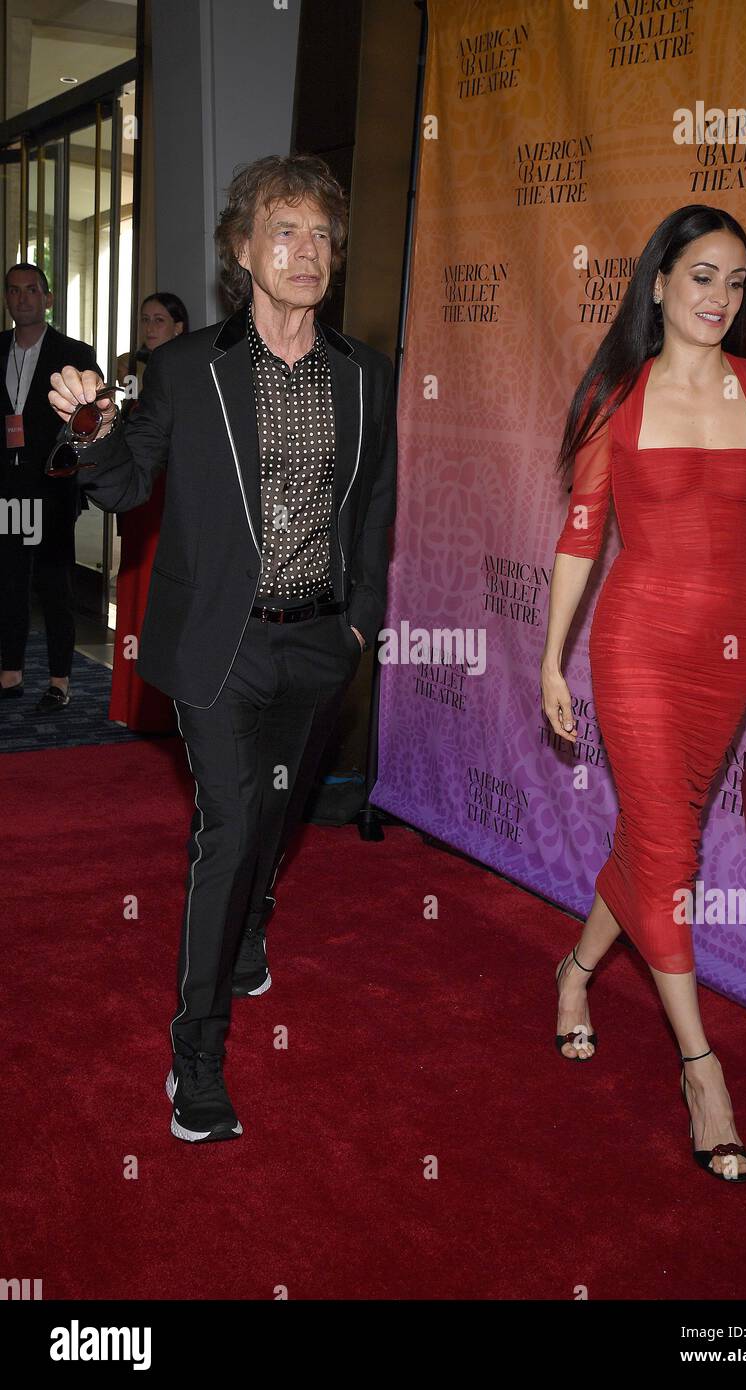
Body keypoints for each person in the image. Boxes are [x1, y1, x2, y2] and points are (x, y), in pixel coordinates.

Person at [48, 153, 397, 1144]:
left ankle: (252, 921)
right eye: (284, 232)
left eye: (323, 235)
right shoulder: (187, 369)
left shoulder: (367, 376)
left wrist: (361, 622)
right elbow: (120, 488)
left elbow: (374, 509)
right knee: (231, 829)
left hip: (320, 645)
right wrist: (89, 431)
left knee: (278, 820)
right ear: (241, 251)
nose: (307, 252)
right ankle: (194, 1057)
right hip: (222, 649)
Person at [541, 204, 746, 1184]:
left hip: (726, 655)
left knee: (651, 842)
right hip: (636, 644)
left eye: (735, 281)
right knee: (669, 848)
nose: (718, 298)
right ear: (657, 282)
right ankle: (702, 1069)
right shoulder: (618, 392)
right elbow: (579, 534)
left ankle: (574, 973)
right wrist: (547, 656)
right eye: (700, 276)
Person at [0, 263, 101, 711]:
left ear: (48, 299)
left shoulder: (74, 352)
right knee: (8, 582)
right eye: (14, 291)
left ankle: (60, 680)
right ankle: (11, 672)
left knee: (53, 584)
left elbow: (95, 414)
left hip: (51, 487)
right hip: (5, 486)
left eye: (31, 290)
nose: (22, 298)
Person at [109, 293, 190, 733]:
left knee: (163, 597)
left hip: (171, 498)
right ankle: (131, 703)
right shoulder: (135, 370)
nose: (150, 327)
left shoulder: (187, 370)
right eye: (145, 319)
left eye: (160, 319)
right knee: (134, 587)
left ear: (180, 327)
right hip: (140, 497)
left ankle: (162, 709)